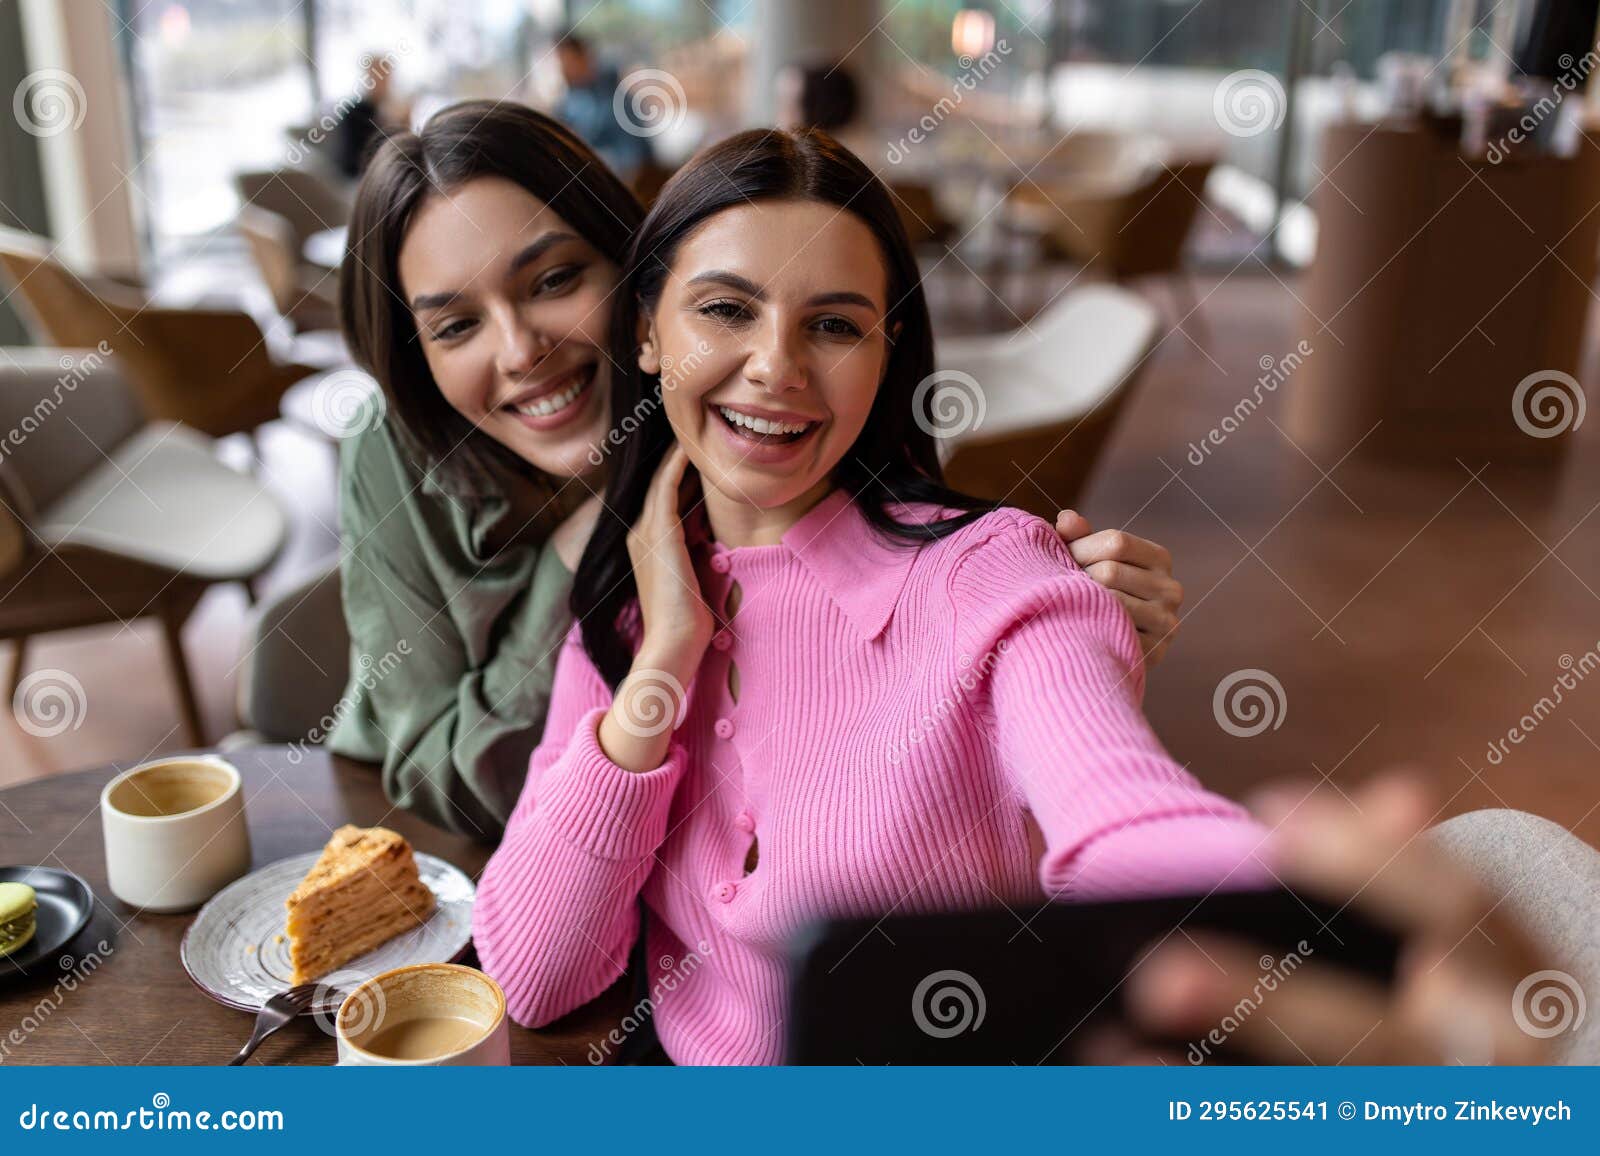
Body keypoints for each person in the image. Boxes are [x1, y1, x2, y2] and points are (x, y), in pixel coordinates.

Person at [470, 128, 1572, 1066]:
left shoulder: (991, 572)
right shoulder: (632, 598)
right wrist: (662, 661)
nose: (776, 365)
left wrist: (1285, 910)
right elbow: (534, 974)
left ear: (885, 355)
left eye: (835, 324)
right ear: (648, 331)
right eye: (725, 309)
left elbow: (1116, 805)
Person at [330, 102, 1185, 839]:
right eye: (455, 326)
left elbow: (910, 620)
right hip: (444, 840)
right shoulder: (391, 449)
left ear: (636, 284)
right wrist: (588, 543)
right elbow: (452, 786)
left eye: (554, 280)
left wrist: (1060, 628)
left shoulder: (746, 412)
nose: (522, 351)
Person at [554, 32, 650, 182]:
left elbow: (632, 159)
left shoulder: (618, 99)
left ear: (585, 57)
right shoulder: (567, 104)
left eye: (568, 62)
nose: (564, 70)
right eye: (561, 63)